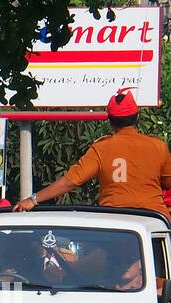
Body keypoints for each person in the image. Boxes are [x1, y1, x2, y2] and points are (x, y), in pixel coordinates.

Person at [14, 87, 171, 220]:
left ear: (110, 120)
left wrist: (33, 200)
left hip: (116, 220)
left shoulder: (101, 148)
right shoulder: (158, 146)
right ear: (137, 117)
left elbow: (71, 181)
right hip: (155, 219)